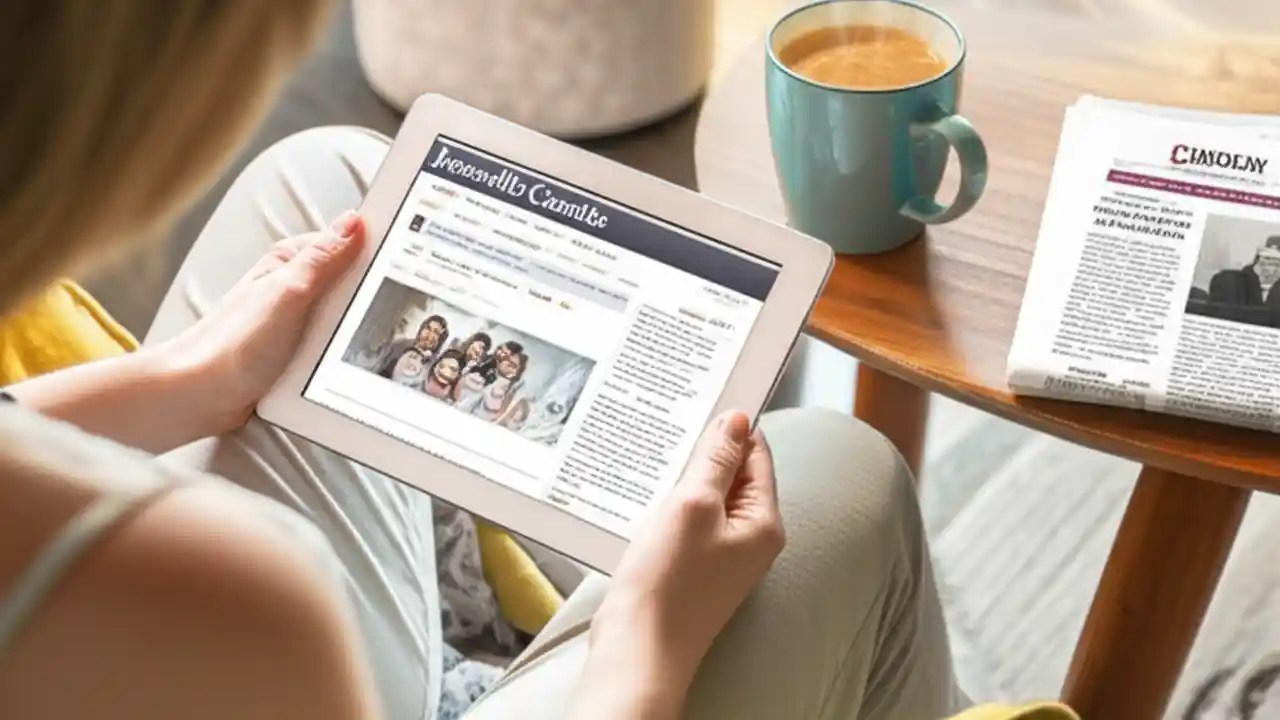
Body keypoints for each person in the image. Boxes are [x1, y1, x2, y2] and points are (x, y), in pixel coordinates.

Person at [0, 2, 1009, 719]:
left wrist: (182, 383)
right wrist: (644, 645)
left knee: (332, 183)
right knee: (842, 470)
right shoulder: (224, 595)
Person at [376, 315, 449, 376]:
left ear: (440, 340)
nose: (429, 334)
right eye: (427, 328)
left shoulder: (435, 368)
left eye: (436, 332)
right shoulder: (398, 346)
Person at [473, 350, 528, 425]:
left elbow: (505, 404)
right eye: (508, 361)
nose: (508, 364)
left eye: (513, 365)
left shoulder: (510, 385)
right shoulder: (496, 376)